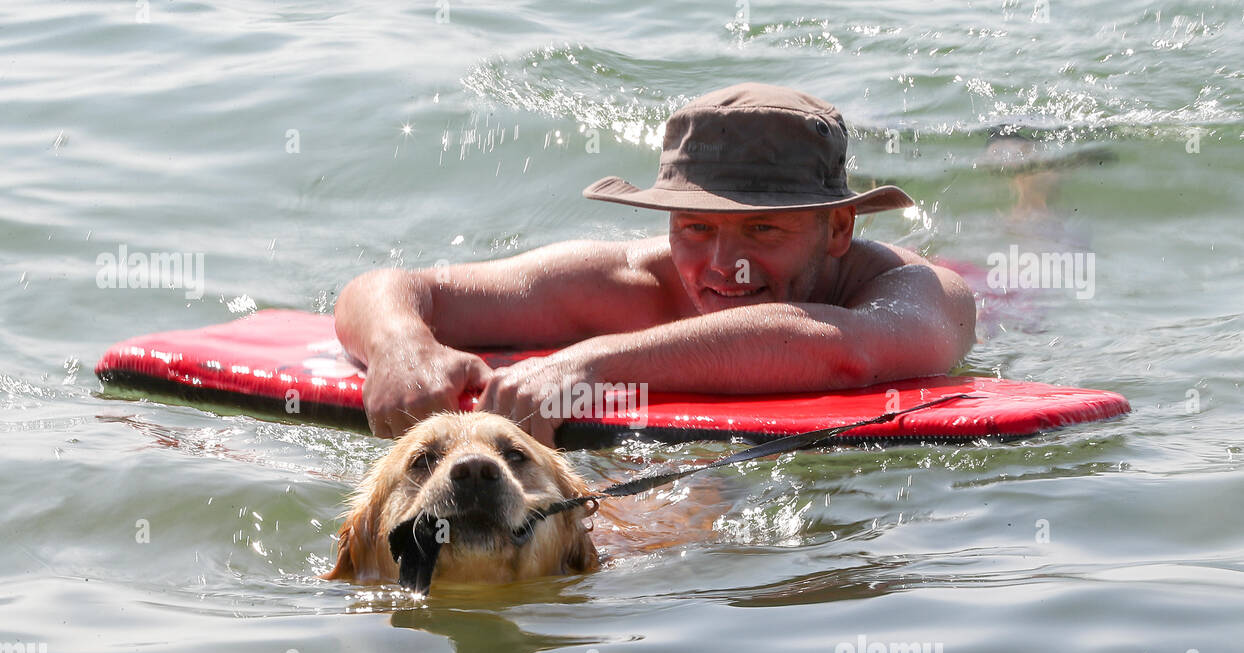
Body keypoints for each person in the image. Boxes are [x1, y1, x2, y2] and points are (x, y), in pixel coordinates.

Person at [335, 82, 975, 446]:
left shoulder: (915, 288)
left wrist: (581, 364)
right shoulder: (632, 284)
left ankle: (1029, 183)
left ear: (838, 227)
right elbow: (392, 286)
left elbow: (839, 351)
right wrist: (399, 345)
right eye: (696, 228)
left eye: (763, 229)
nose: (726, 267)